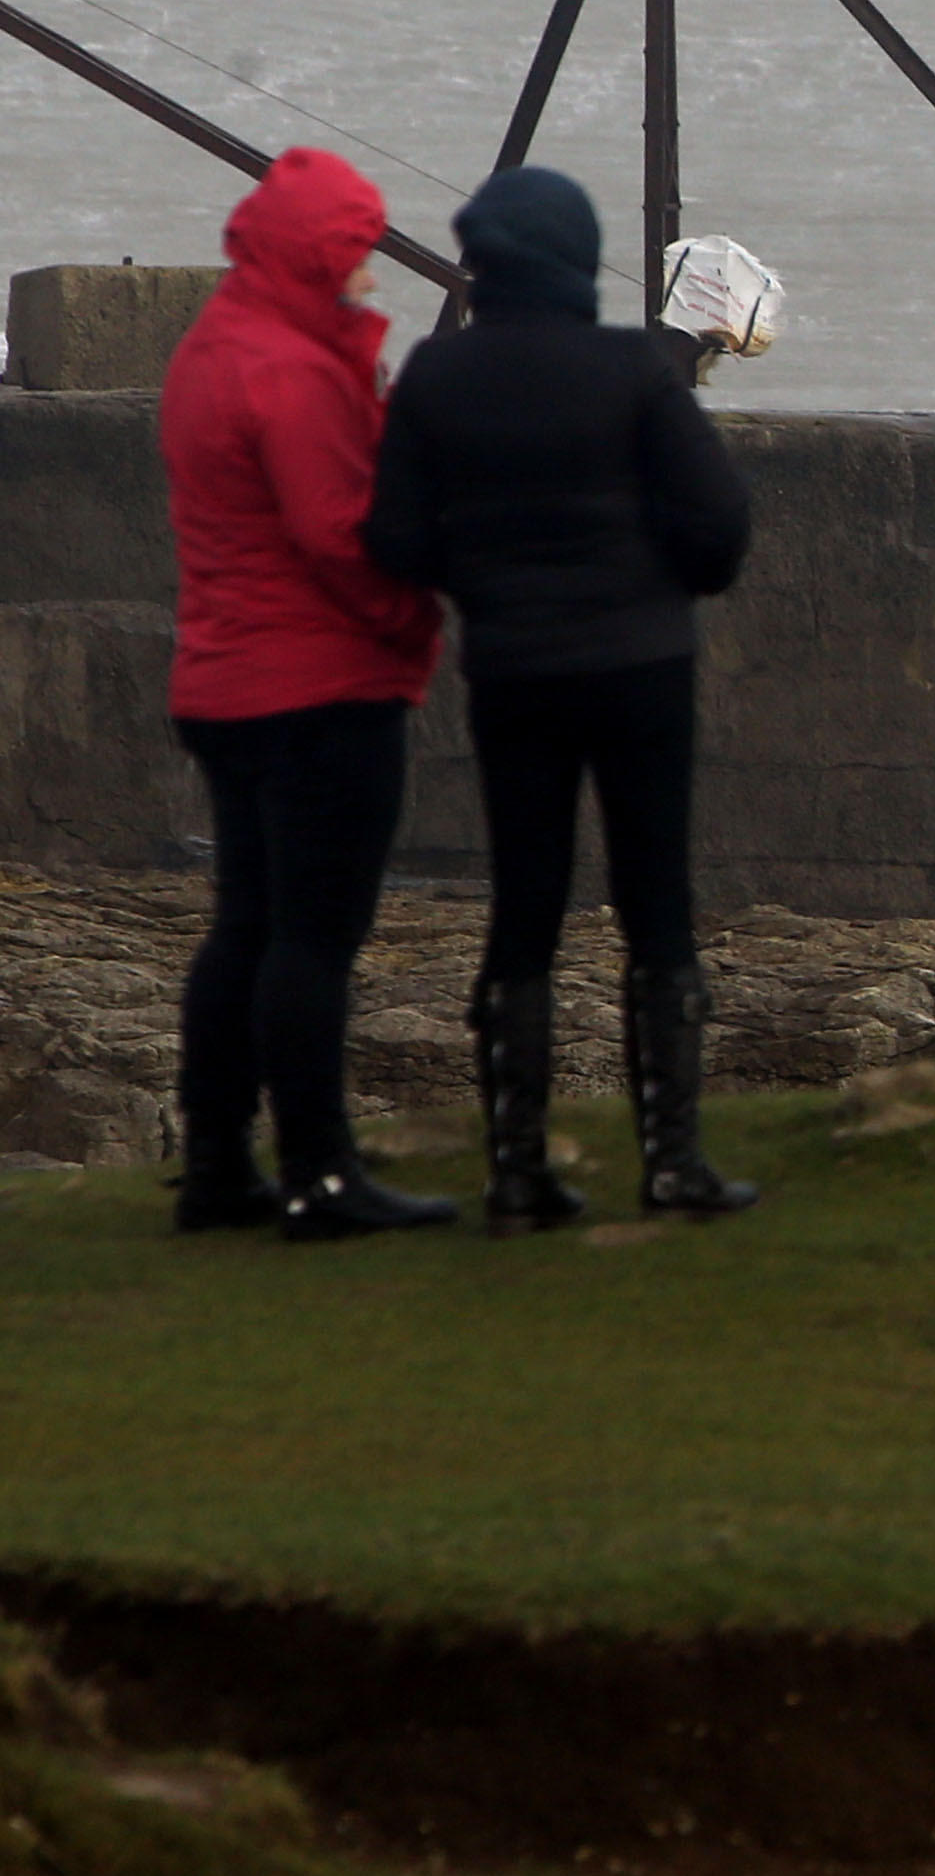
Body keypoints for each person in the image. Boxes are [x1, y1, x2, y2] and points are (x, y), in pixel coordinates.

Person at [366, 168, 758, 1230]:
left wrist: (486, 579)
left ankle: (516, 1172)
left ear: (482, 262)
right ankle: (673, 1162)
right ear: (578, 260)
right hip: (642, 665)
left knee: (525, 907)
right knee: (655, 900)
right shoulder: (631, 369)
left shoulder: (438, 374)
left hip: (513, 668)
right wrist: (668, 579)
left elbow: (394, 538)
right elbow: (719, 523)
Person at [158, 149, 453, 1241]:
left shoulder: (213, 345)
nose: (370, 277)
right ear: (315, 256)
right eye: (359, 254)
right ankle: (320, 1173)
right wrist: (414, 618)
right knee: (314, 937)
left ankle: (216, 1165)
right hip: (317, 687)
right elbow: (339, 534)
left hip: (225, 678)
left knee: (246, 925)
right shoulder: (292, 370)